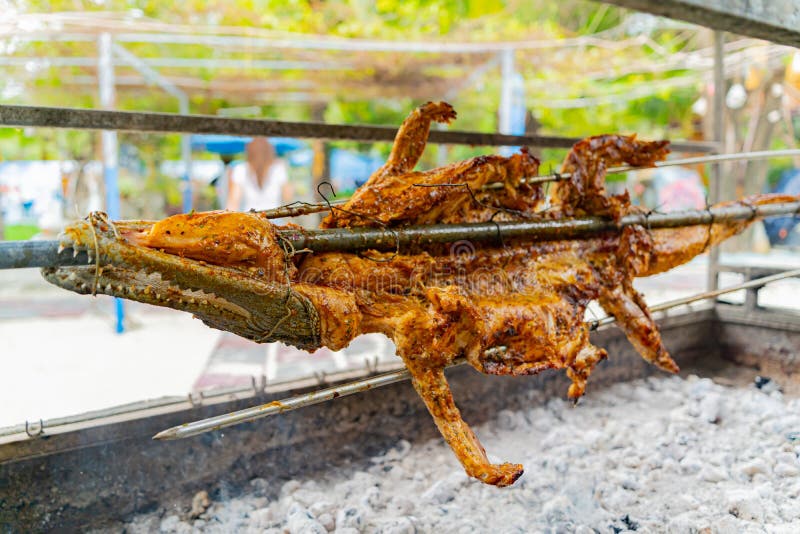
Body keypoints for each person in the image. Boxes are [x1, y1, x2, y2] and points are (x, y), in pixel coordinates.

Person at [225, 138, 293, 212]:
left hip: (251, 218)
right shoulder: (278, 168)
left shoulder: (241, 169)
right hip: (275, 217)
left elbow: (233, 201)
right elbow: (287, 197)